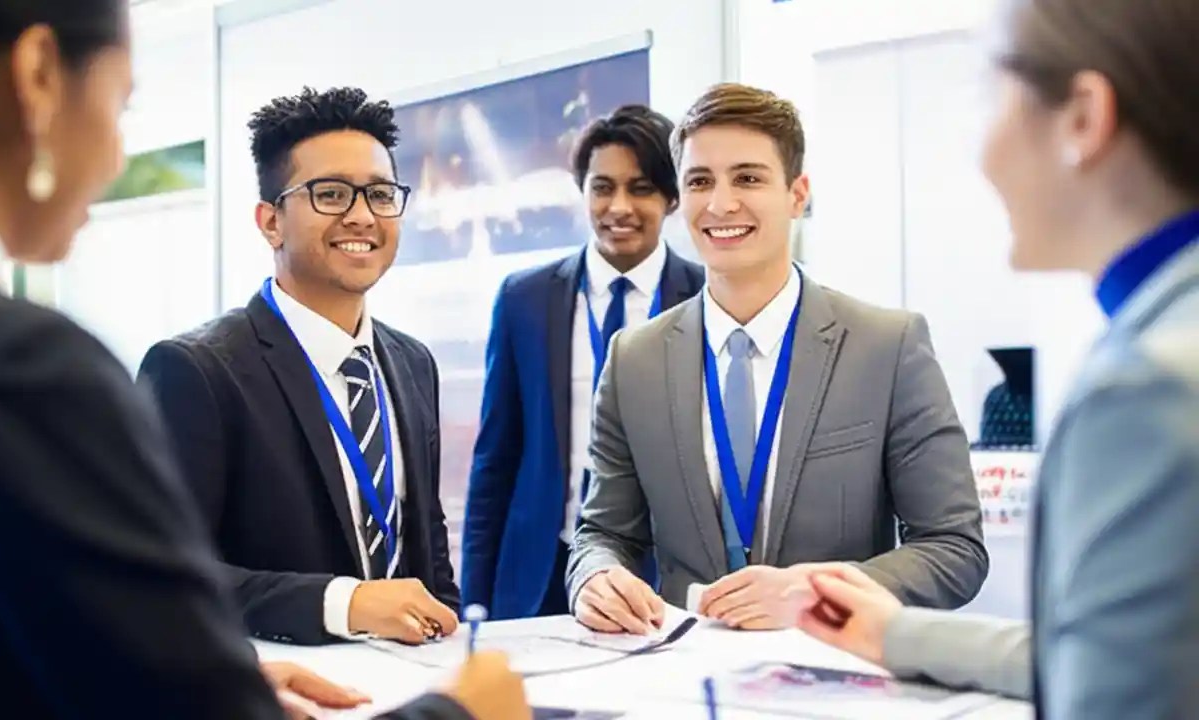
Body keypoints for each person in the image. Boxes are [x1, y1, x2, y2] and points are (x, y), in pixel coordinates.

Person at [0, 2, 527, 718]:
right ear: (39, 75)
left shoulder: (411, 363)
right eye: (119, 104)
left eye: (381, 195)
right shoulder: (34, 367)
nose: (117, 157)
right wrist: (463, 713)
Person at [794, 1, 1199, 718]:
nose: (980, 151)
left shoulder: (1149, 389)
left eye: (990, 97)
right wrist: (900, 633)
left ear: (1083, 117)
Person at [567, 83, 988, 635]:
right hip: (678, 681)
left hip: (834, 679)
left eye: (747, 177)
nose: (720, 204)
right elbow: (603, 534)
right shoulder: (634, 360)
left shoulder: (886, 346)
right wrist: (594, 577)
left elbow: (953, 547)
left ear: (797, 194)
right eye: (700, 181)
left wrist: (816, 595)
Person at [138, 87, 460, 646]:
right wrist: (344, 603)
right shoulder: (197, 371)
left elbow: (426, 544)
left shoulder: (411, 363)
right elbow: (160, 576)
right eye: (331, 194)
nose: (362, 216)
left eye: (381, 195)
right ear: (271, 222)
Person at [460, 105, 705, 620]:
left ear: (672, 197)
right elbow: (495, 458)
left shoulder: (704, 298)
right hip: (539, 570)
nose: (619, 206)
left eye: (640, 188)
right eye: (602, 187)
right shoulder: (525, 299)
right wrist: (473, 596)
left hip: (658, 575)